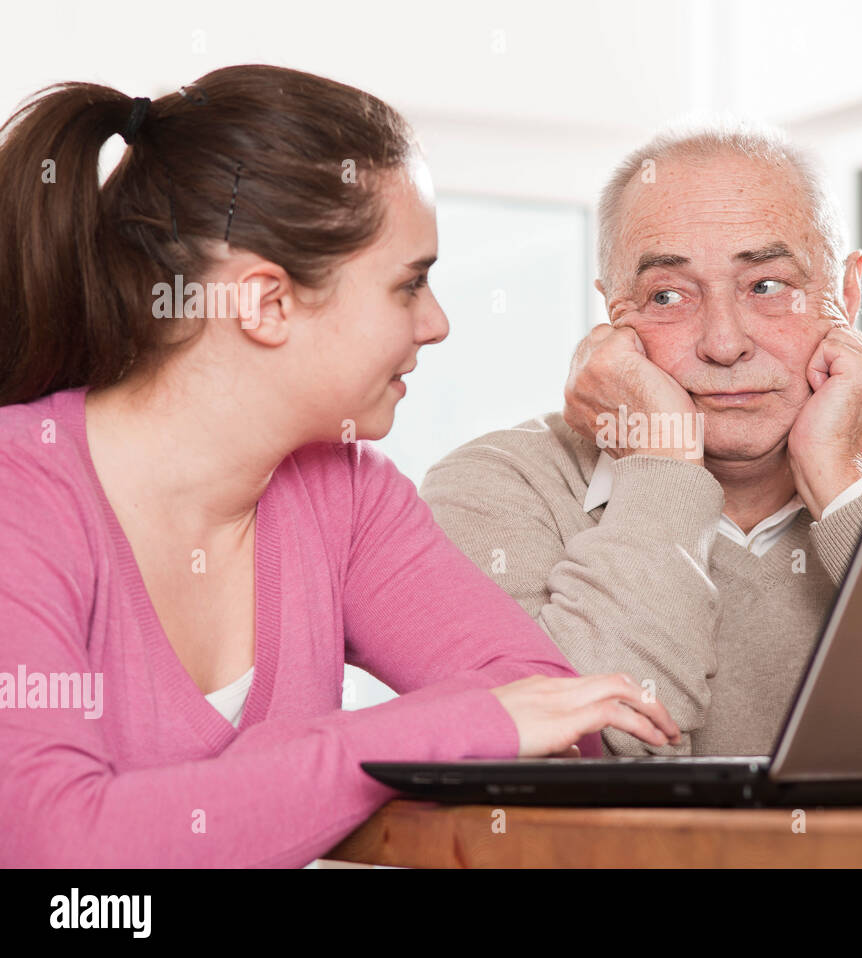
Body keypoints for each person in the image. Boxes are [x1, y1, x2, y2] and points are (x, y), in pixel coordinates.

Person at [0, 64, 678, 868]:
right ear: (265, 303)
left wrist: (267, 786)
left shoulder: (347, 494)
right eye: (408, 285)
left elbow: (559, 721)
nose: (437, 324)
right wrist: (389, 744)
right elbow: (57, 849)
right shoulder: (22, 489)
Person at [419, 121, 862, 785]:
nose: (723, 342)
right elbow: (590, 756)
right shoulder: (494, 489)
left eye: (767, 285)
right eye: (667, 295)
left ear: (848, 292)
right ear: (612, 315)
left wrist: (844, 482)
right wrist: (660, 465)